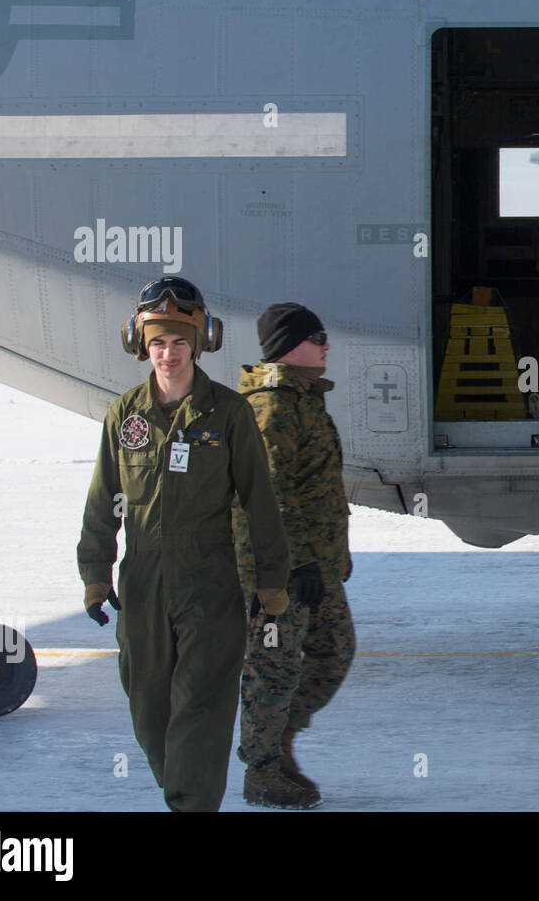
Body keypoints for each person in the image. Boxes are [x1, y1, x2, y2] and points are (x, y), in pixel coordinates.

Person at [77, 276, 291, 811]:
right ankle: (183, 789)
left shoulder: (228, 414)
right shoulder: (124, 415)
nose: (167, 354)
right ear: (140, 345)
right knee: (149, 710)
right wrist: (95, 574)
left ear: (199, 343)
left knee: (201, 703)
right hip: (143, 583)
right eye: (157, 343)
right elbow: (103, 500)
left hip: (209, 581)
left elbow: (260, 503)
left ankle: (191, 805)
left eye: (177, 342)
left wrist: (272, 583)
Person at [232, 303, 355, 809]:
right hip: (279, 576)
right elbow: (267, 495)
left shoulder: (303, 399)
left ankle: (277, 738)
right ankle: (261, 772)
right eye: (318, 336)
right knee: (273, 667)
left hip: (315, 569)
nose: (327, 344)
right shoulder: (272, 407)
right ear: (289, 345)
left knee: (334, 651)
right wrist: (294, 563)